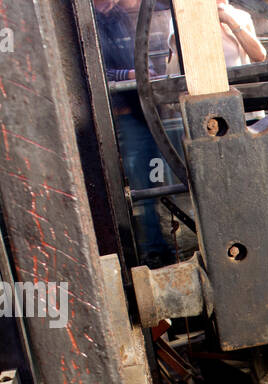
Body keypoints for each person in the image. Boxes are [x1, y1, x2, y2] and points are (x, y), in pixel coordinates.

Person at [93, 0, 176, 266]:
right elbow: (95, 73)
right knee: (142, 188)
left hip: (145, 110)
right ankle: (151, 252)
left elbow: (135, 55)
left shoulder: (117, 17)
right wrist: (130, 73)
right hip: (123, 114)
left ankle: (163, 245)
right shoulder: (91, 22)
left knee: (159, 181)